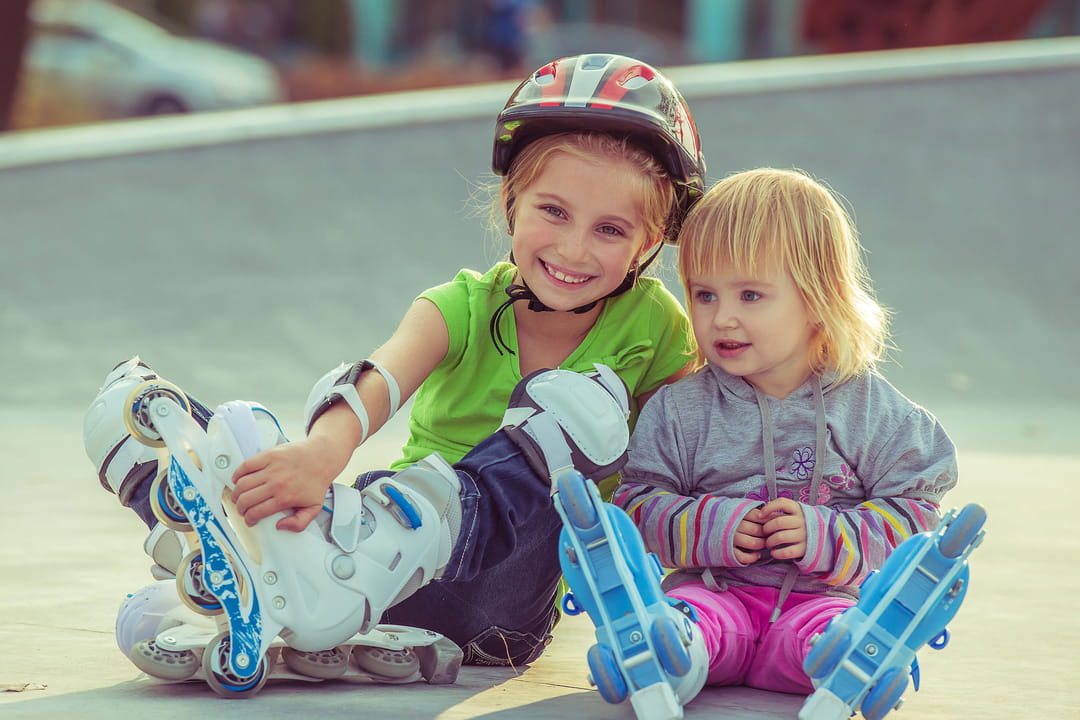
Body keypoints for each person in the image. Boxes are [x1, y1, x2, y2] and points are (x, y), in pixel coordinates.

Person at [83, 53, 706, 675]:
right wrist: (318, 455)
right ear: (513, 200)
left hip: (500, 607)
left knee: (581, 405)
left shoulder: (657, 326)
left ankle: (298, 570)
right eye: (554, 211)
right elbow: (379, 379)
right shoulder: (459, 305)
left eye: (610, 230)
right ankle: (260, 576)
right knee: (130, 411)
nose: (574, 248)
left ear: (649, 243)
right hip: (384, 573)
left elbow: (685, 459)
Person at [595, 167, 958, 704]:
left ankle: (853, 665)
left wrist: (827, 535)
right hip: (715, 596)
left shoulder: (872, 412)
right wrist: (710, 525)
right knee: (688, 619)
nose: (722, 318)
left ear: (818, 297)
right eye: (705, 295)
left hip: (822, 604)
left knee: (834, 631)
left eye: (750, 295)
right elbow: (636, 507)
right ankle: (664, 657)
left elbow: (916, 517)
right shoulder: (679, 410)